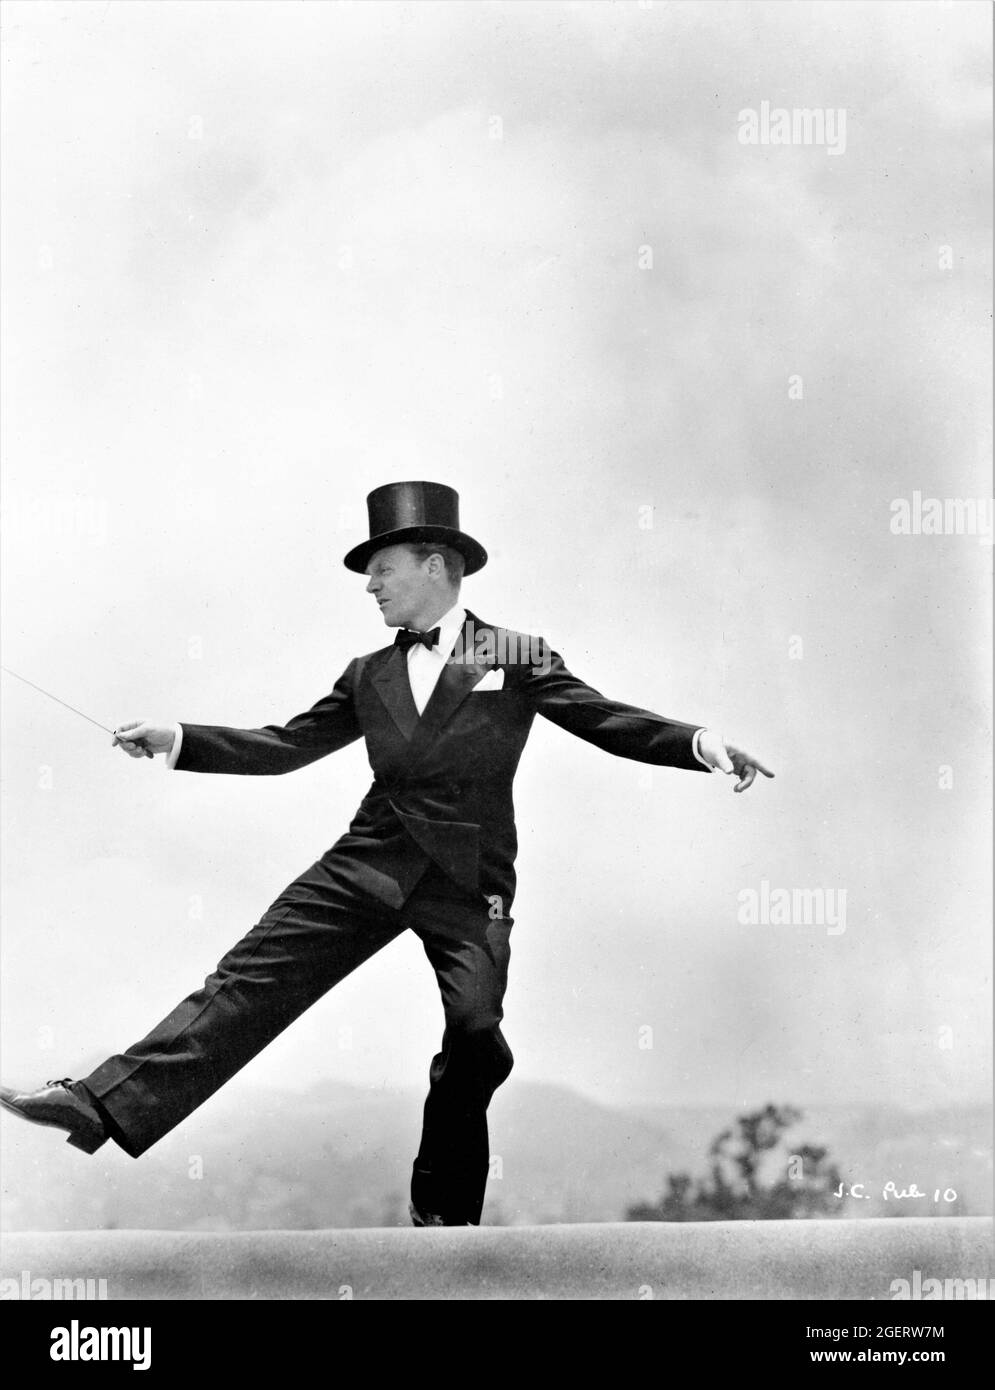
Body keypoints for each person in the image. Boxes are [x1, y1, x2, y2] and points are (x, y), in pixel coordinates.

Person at [0, 481, 773, 1226]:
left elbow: (605, 719)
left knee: (476, 1037)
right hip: (366, 863)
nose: (370, 587)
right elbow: (286, 747)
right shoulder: (366, 674)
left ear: (435, 565)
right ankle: (97, 1103)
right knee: (245, 983)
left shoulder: (516, 653)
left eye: (382, 570)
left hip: (468, 883)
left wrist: (702, 746)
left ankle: (441, 1216)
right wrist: (181, 740)